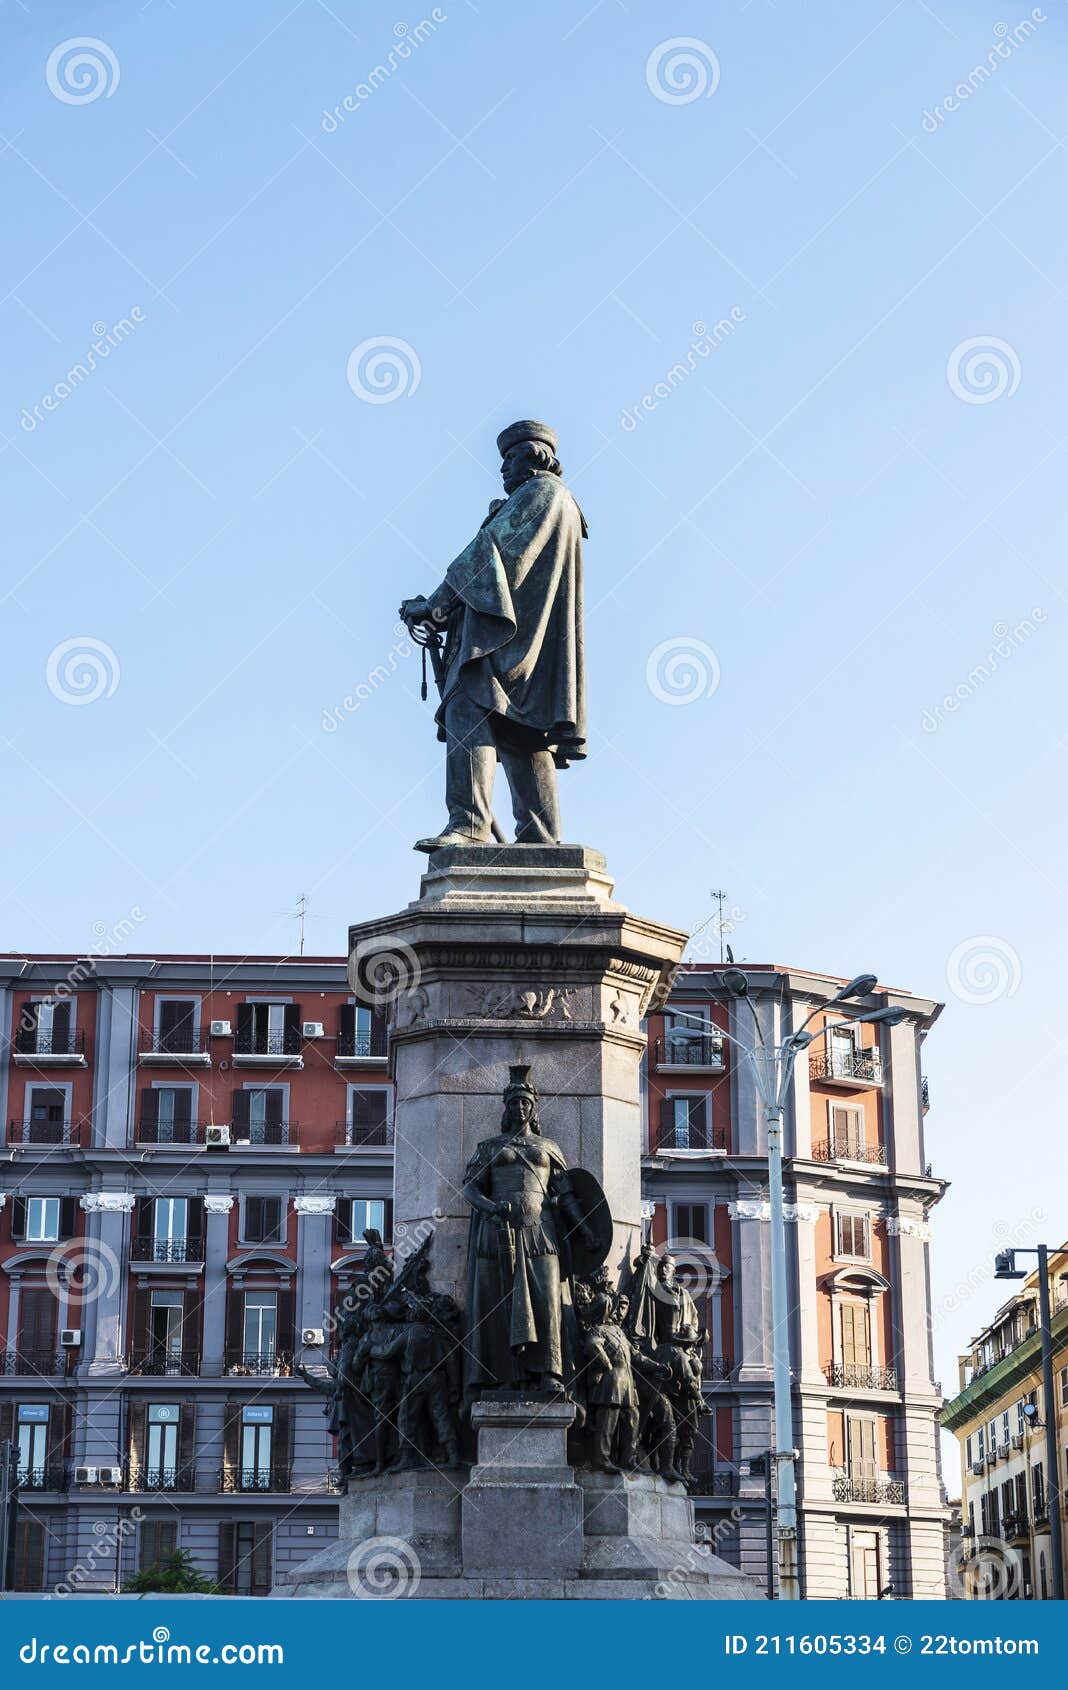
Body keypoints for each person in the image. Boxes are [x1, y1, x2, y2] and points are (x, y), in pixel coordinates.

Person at [399, 420, 586, 851]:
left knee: (469, 707)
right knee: (523, 731)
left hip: (504, 638)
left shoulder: (540, 494)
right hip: (527, 640)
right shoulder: (553, 500)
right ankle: (539, 839)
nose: (503, 469)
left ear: (536, 456)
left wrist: (435, 604)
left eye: (510, 458)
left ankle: (469, 824)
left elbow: (492, 555)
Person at [462, 1064, 595, 1400]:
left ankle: (550, 1373)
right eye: (514, 1103)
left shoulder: (548, 1147)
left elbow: (566, 1196)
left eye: (526, 1103)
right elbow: (470, 1190)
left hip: (542, 1233)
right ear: (506, 1109)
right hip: (499, 1234)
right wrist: (492, 1208)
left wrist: (586, 1230)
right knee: (500, 1303)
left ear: (533, 1109)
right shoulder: (489, 1147)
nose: (520, 1108)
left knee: (547, 1301)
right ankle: (504, 1376)